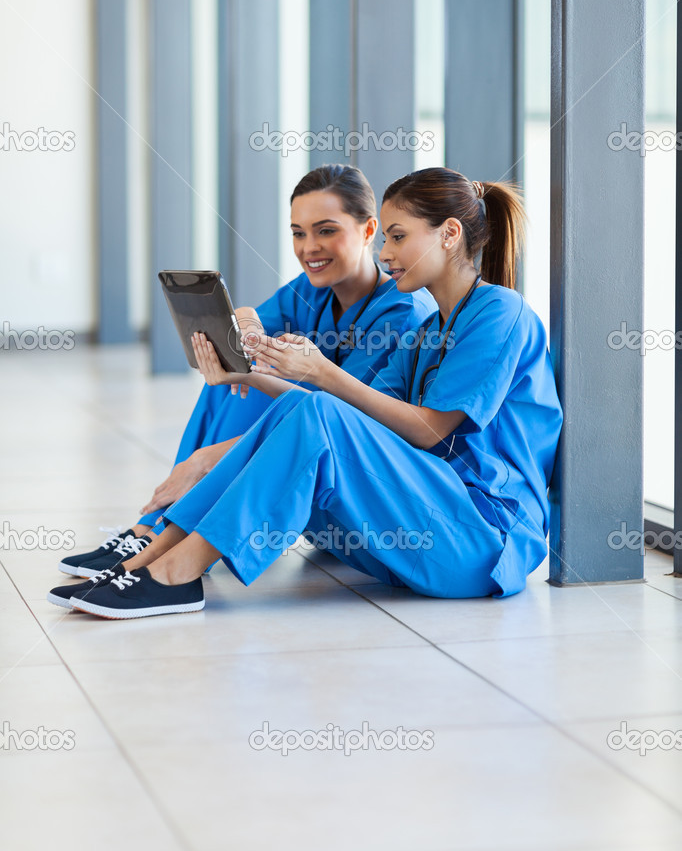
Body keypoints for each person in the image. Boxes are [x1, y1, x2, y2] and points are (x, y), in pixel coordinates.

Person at [54, 168, 563, 618]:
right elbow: (351, 414)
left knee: (317, 406)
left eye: (398, 237)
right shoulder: (425, 335)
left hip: (480, 538)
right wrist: (248, 375)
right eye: (385, 238)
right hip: (418, 523)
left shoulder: (500, 312)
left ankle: (175, 574)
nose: (385, 254)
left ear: (449, 235)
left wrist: (321, 373)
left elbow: (431, 431)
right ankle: (153, 554)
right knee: (301, 405)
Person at [54, 164, 435, 584]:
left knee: (263, 386)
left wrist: (206, 459)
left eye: (326, 230)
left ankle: (172, 532)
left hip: (343, 488)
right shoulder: (312, 290)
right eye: (298, 232)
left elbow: (336, 421)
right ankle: (153, 530)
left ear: (368, 231)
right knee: (231, 371)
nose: (309, 247)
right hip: (303, 483)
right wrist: (248, 329)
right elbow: (247, 317)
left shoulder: (401, 314)